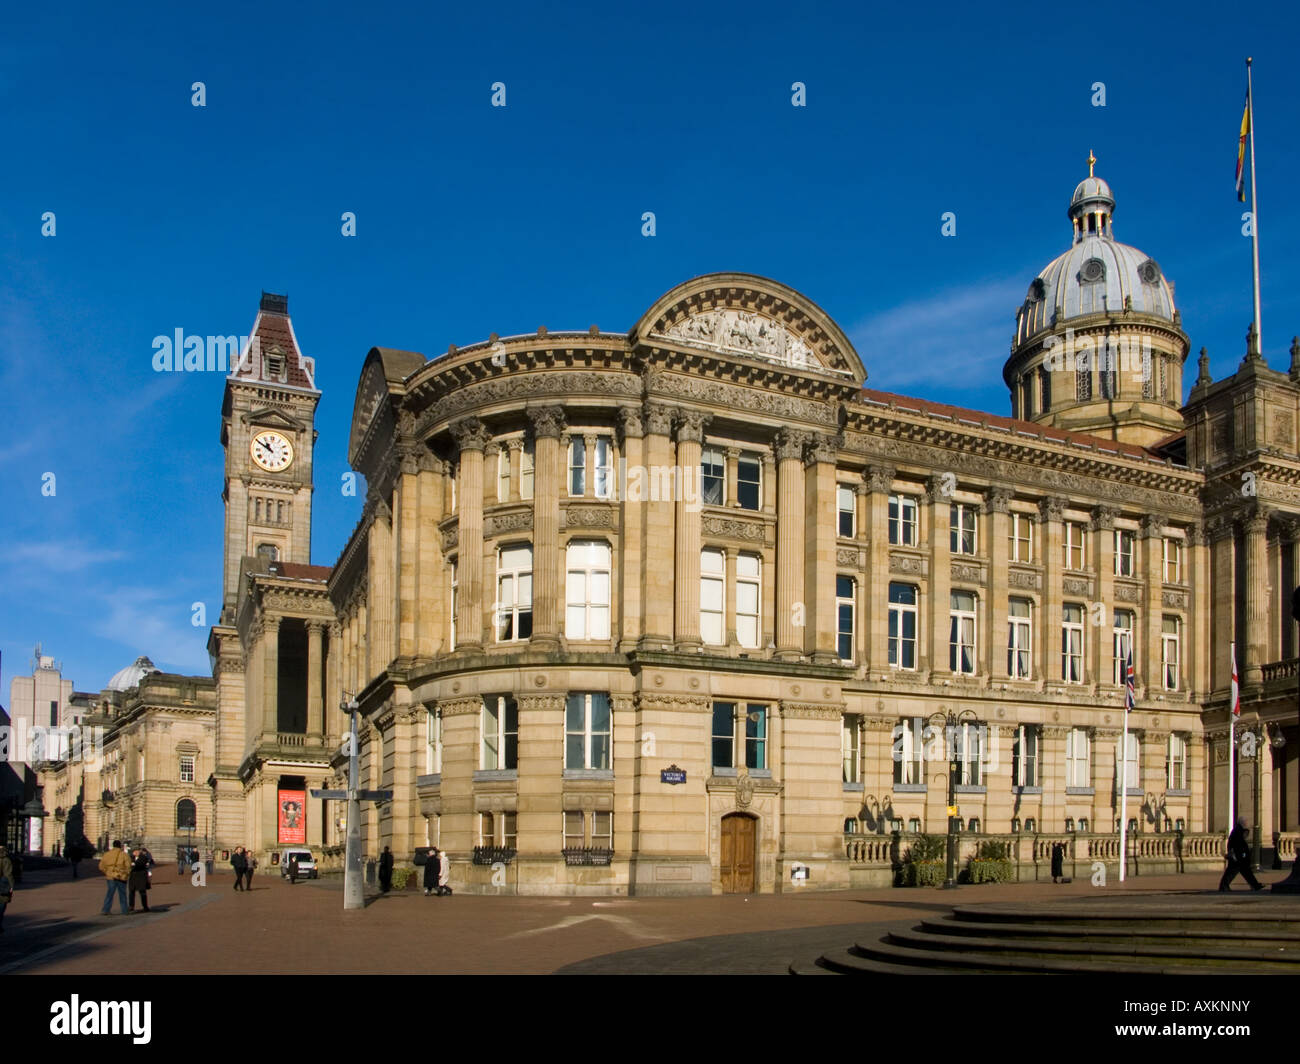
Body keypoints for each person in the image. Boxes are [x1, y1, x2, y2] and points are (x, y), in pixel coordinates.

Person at [1219, 817, 1266, 892]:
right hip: (1238, 856)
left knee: (1245, 872)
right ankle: (1223, 886)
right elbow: (1238, 845)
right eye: (1245, 822)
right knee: (1232, 872)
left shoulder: (1237, 830)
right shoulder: (1238, 831)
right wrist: (1241, 854)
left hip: (1238, 856)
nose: (1246, 823)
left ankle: (1255, 885)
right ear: (1242, 823)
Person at [99, 840, 131, 915]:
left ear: (113, 846)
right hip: (121, 876)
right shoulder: (124, 855)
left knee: (110, 893)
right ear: (120, 846)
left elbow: (101, 866)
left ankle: (106, 909)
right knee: (122, 894)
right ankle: (124, 910)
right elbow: (128, 866)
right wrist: (126, 873)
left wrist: (107, 872)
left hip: (111, 876)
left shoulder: (107, 854)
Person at [128, 848, 152, 912]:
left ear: (139, 851)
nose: (135, 852)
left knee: (142, 892)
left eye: (136, 851)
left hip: (141, 877)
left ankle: (145, 906)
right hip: (133, 877)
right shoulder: (131, 857)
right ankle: (131, 906)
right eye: (134, 851)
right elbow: (128, 864)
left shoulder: (143, 857)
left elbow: (139, 865)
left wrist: (133, 864)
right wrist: (132, 864)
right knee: (131, 892)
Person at [0, 843, 14, 934]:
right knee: (1, 907)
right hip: (2, 888)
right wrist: (11, 886)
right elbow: (8, 874)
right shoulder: (5, 860)